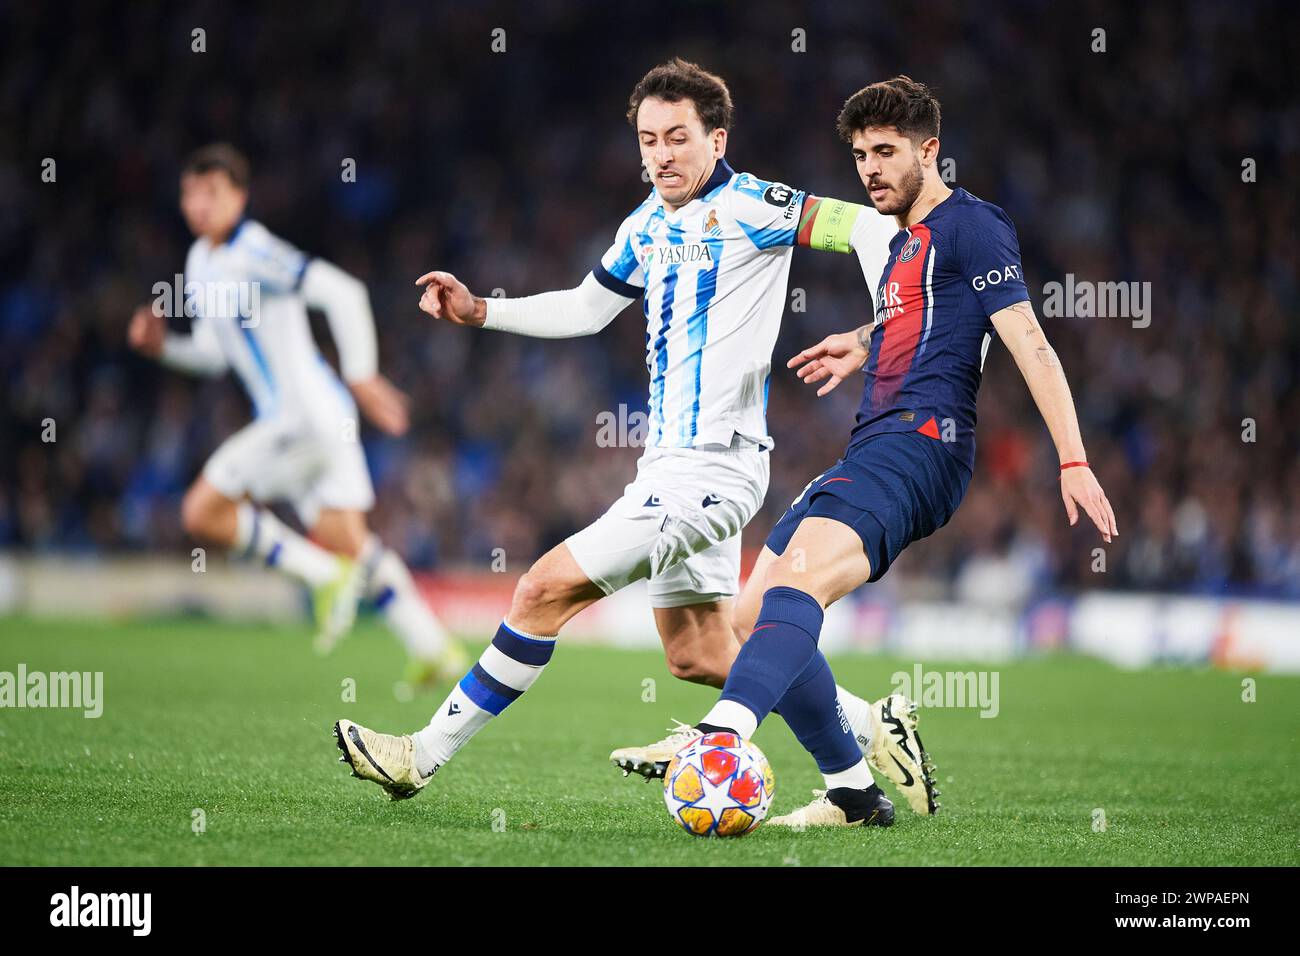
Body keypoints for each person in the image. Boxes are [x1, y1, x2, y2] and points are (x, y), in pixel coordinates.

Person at [332, 59, 924, 801]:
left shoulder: (757, 205)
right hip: (668, 465)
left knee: (542, 589)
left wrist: (877, 328)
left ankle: (419, 755)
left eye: (678, 138)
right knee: (703, 652)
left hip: (715, 469)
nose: (661, 155)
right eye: (649, 140)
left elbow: (870, 227)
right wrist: (483, 310)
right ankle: (871, 739)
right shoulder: (645, 222)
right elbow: (587, 308)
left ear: (716, 137)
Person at [673, 76, 1118, 829]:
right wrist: (862, 338)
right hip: (873, 441)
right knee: (751, 615)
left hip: (923, 443)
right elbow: (923, 314)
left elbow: (1029, 343)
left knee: (798, 587)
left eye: (886, 152)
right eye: (859, 155)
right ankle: (852, 791)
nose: (870, 169)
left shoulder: (974, 226)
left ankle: (723, 735)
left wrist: (1073, 460)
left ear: (929, 150)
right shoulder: (906, 242)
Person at [128, 143, 465, 691]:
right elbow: (215, 356)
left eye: (213, 192)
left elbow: (343, 291)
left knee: (201, 512)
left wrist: (362, 373)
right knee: (351, 540)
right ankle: (435, 649)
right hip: (319, 416)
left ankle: (320, 575)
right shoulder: (200, 262)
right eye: (191, 193)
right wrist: (163, 346)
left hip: (301, 417)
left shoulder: (255, 251)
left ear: (240, 196)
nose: (200, 204)